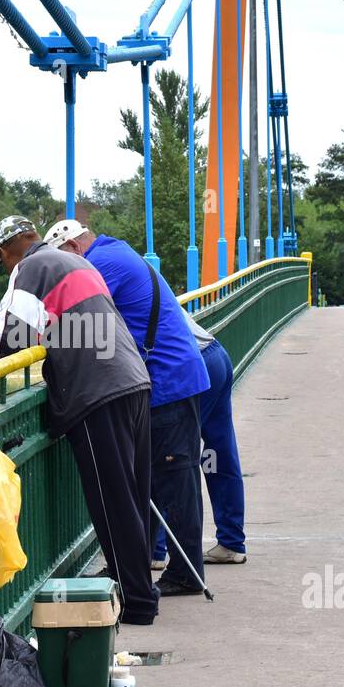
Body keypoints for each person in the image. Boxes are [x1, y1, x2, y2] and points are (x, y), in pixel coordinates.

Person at [0, 216, 160, 625]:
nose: (7, 268)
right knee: (132, 496)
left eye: (3, 260)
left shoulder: (31, 267)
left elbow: (13, 341)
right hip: (133, 383)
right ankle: (139, 588)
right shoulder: (77, 263)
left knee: (113, 504)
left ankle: (137, 603)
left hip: (95, 394)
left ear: (9, 249)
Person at [44, 220, 211, 598]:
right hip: (165, 378)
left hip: (167, 381)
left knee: (174, 476)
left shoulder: (98, 264)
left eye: (62, 260)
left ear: (71, 247)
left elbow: (77, 322)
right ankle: (138, 564)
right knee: (150, 479)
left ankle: (186, 574)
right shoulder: (112, 251)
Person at [150, 313, 248, 566]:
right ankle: (231, 542)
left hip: (189, 365)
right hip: (214, 354)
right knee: (218, 454)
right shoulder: (139, 277)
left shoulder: (104, 284)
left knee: (168, 456)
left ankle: (155, 549)